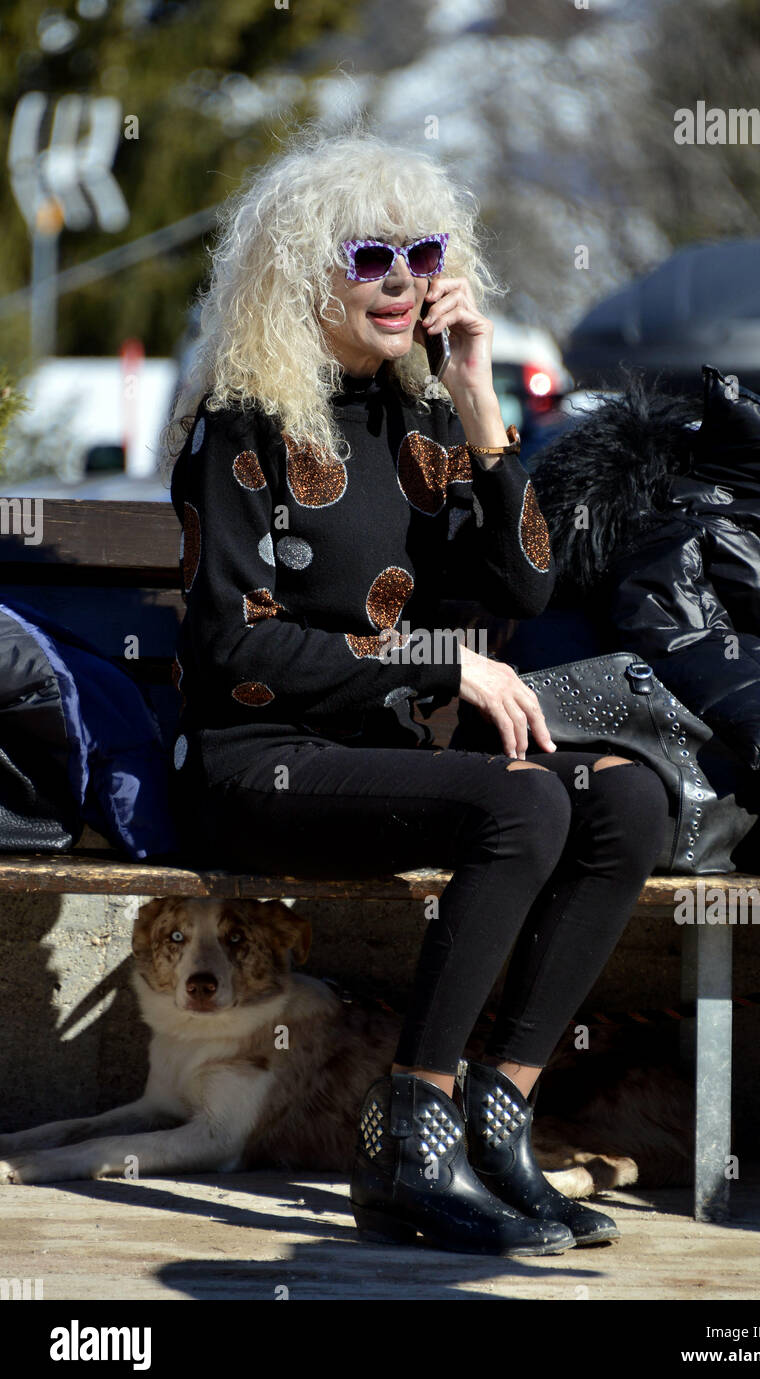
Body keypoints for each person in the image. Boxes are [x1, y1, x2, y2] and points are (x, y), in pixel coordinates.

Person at [160, 123, 668, 1258]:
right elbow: (237, 648)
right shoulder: (239, 423)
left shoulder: (427, 414)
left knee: (626, 796)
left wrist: (480, 404)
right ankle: (407, 1132)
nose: (403, 281)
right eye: (368, 258)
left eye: (424, 253)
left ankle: (494, 1117)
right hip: (261, 760)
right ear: (301, 273)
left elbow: (524, 587)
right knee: (521, 800)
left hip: (399, 758)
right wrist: (437, 662)